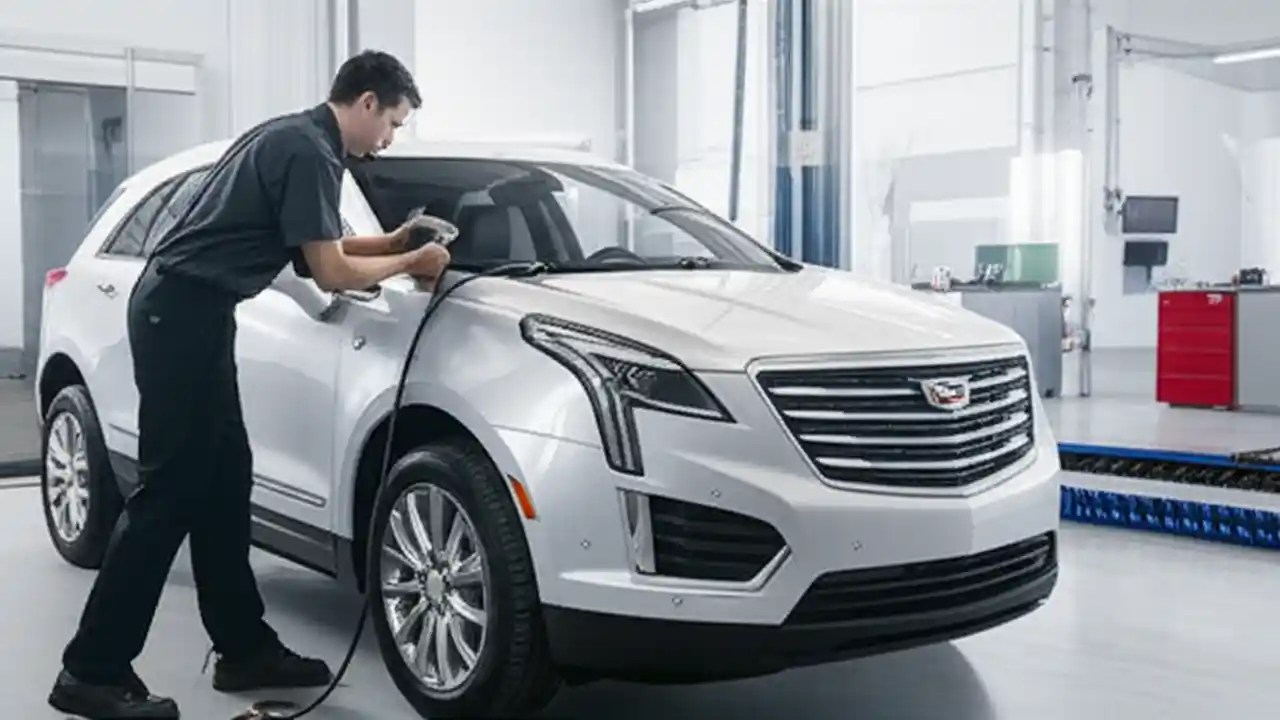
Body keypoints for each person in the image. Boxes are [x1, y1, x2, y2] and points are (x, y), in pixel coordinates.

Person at [48, 50, 451, 719]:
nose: (390, 138)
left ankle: (243, 648)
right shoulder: (308, 153)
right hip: (179, 312)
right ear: (368, 103)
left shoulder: (298, 138)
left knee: (226, 479)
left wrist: (399, 238)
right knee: (169, 493)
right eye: (394, 123)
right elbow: (326, 271)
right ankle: (91, 671)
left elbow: (323, 247)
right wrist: (416, 260)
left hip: (196, 315)